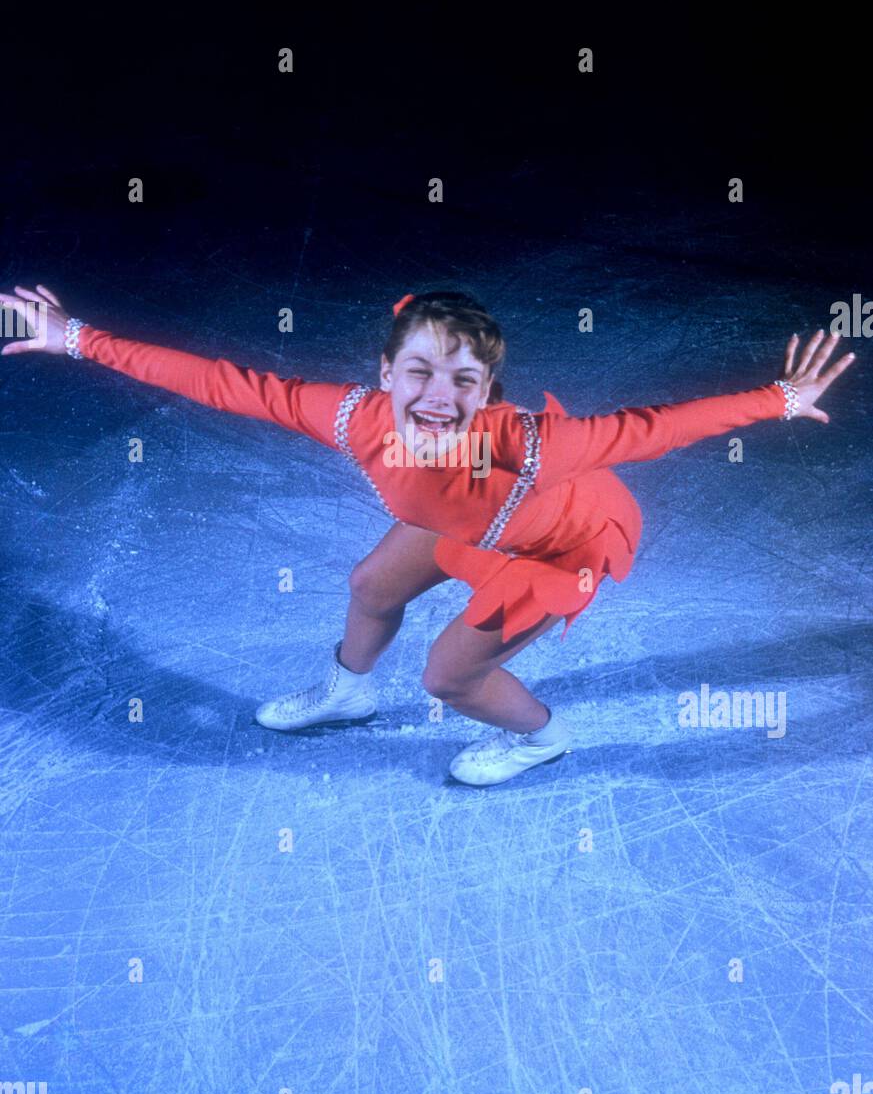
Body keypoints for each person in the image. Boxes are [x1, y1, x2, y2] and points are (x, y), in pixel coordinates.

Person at [0, 282, 856, 785]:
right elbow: (223, 383)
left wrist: (775, 401)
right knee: (372, 586)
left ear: (487, 391)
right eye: (418, 369)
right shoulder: (349, 418)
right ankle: (348, 693)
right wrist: (78, 338)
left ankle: (542, 738)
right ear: (384, 374)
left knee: (450, 678)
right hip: (463, 521)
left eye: (463, 377)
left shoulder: (529, 446)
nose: (437, 393)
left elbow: (653, 428)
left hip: (563, 541)